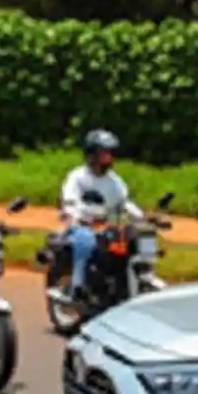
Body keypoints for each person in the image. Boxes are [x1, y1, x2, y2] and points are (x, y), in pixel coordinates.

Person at [58, 128, 143, 300]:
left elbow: (125, 202)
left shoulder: (114, 181)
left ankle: (123, 286)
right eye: (103, 153)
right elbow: (69, 200)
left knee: (133, 242)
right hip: (82, 226)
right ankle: (77, 287)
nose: (107, 157)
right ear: (91, 154)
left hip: (108, 228)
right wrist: (74, 213)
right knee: (85, 241)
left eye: (110, 153)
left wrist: (142, 218)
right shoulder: (77, 177)